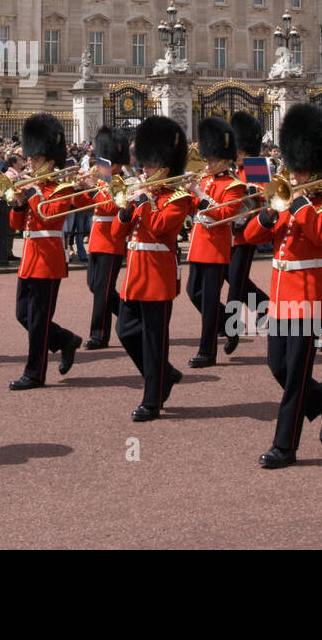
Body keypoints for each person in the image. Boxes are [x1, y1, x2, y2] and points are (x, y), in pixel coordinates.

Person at [241, 103, 322, 469]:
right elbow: (252, 235)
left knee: (295, 375)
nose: (295, 173)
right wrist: (269, 213)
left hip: (308, 294)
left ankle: (284, 446)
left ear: (315, 169)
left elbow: (321, 239)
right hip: (282, 291)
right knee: (279, 367)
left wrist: (300, 203)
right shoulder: (286, 201)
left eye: (300, 168)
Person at [112, 116, 194, 420]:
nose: (143, 170)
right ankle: (164, 375)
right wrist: (125, 210)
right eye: (144, 165)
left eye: (148, 165)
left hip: (158, 275)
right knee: (125, 330)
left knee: (154, 341)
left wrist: (143, 202)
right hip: (135, 275)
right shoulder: (144, 195)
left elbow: (160, 227)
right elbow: (117, 235)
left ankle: (152, 398)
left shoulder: (179, 197)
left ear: (165, 167)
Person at [7, 113, 82, 389]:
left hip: (47, 260)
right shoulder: (32, 189)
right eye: (30, 159)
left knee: (38, 321)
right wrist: (17, 203)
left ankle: (35, 373)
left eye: (36, 160)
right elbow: (16, 224)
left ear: (50, 162)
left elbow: (50, 217)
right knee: (22, 315)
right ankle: (65, 340)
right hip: (29, 258)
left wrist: (34, 192)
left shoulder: (62, 188)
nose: (30, 164)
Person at [183, 118, 246, 368]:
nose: (207, 163)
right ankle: (228, 324)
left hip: (216, 249)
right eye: (207, 159)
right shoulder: (206, 180)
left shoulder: (234, 185)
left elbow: (223, 214)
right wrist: (184, 190)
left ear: (225, 159)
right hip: (198, 245)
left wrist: (199, 194)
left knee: (209, 301)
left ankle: (207, 352)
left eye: (211, 159)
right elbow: (191, 206)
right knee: (193, 293)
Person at [81, 126, 130, 349]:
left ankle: (99, 335)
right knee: (95, 286)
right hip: (97, 239)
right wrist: (80, 188)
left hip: (112, 240)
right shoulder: (101, 177)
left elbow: (111, 206)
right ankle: (130, 314)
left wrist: (92, 189)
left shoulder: (122, 182)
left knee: (102, 289)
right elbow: (84, 204)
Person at [224, 111, 268, 353]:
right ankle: (263, 305)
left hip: (248, 232)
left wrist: (247, 187)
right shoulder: (235, 168)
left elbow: (262, 192)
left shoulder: (256, 164)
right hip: (231, 232)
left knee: (235, 284)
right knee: (232, 278)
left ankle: (232, 330)